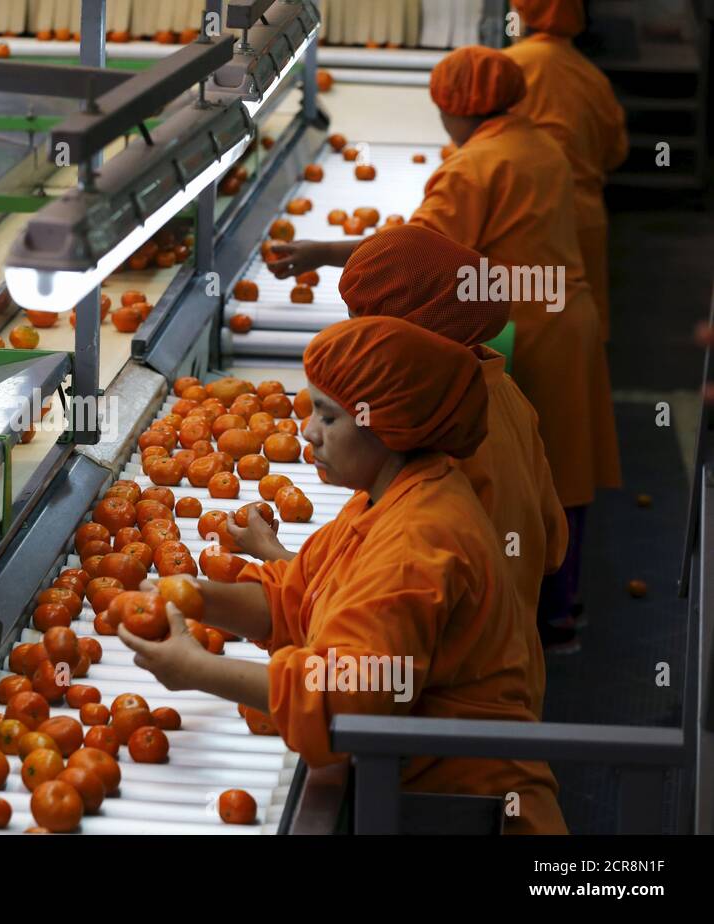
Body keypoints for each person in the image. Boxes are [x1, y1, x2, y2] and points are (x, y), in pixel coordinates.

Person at [120, 317, 567, 835]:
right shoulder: (384, 498)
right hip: (419, 787)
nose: (308, 431)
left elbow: (349, 694)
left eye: (329, 418)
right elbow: (294, 595)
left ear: (390, 426)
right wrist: (195, 597)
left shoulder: (415, 540)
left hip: (466, 809)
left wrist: (197, 670)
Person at [268, 46, 619, 643]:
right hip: (565, 314)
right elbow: (544, 526)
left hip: (534, 328)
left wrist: (322, 254)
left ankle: (541, 618)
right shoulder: (539, 144)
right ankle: (558, 613)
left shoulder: (471, 168)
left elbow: (416, 256)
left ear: (457, 108)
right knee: (564, 466)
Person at [235, 224, 571, 653]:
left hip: (444, 678)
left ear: (407, 339)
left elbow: (371, 599)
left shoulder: (435, 446)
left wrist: (273, 554)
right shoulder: (507, 396)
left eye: (362, 324)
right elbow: (552, 545)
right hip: (513, 652)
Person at [505, 0, 628, 339]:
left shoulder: (507, 67)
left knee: (527, 334)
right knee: (580, 332)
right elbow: (615, 152)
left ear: (521, 17)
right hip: (584, 218)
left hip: (525, 217)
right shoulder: (594, 78)